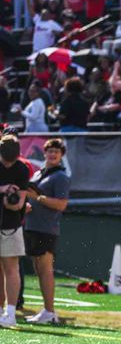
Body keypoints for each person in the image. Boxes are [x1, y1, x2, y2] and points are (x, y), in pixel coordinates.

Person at [23, 138, 69, 325]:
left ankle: (50, 312)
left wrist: (38, 198)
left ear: (61, 155)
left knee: (45, 270)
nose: (52, 154)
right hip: (32, 226)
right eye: (50, 151)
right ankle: (46, 311)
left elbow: (61, 204)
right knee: (38, 270)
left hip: (46, 228)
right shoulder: (40, 173)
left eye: (56, 152)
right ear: (45, 153)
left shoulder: (60, 177)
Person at [0, 135, 30, 328]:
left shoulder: (22, 169)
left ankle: (10, 312)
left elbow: (20, 202)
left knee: (12, 269)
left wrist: (13, 203)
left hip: (11, 225)